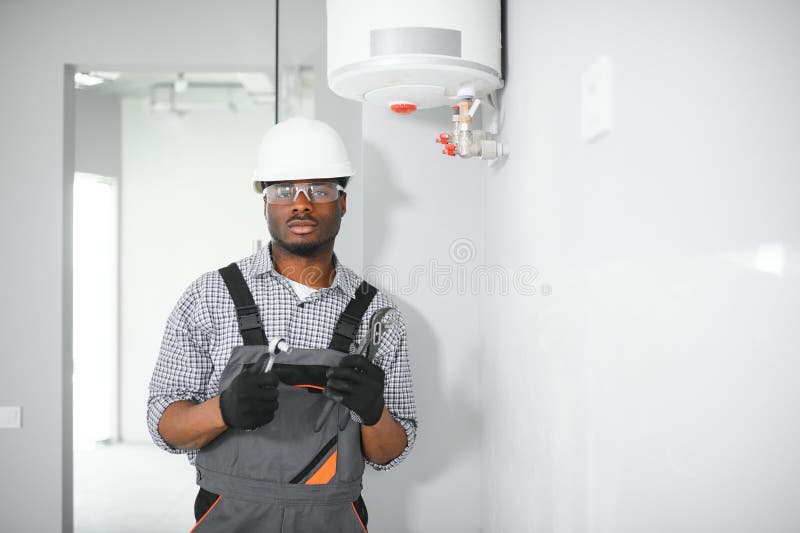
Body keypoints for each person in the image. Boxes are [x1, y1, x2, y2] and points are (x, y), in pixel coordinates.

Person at [146, 117, 417, 532]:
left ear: (342, 203)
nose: (302, 203)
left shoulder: (377, 315)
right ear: (266, 204)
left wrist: (373, 411)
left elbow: (388, 453)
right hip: (229, 516)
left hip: (332, 518)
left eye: (321, 190)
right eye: (284, 190)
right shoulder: (208, 297)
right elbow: (164, 425)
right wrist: (223, 410)